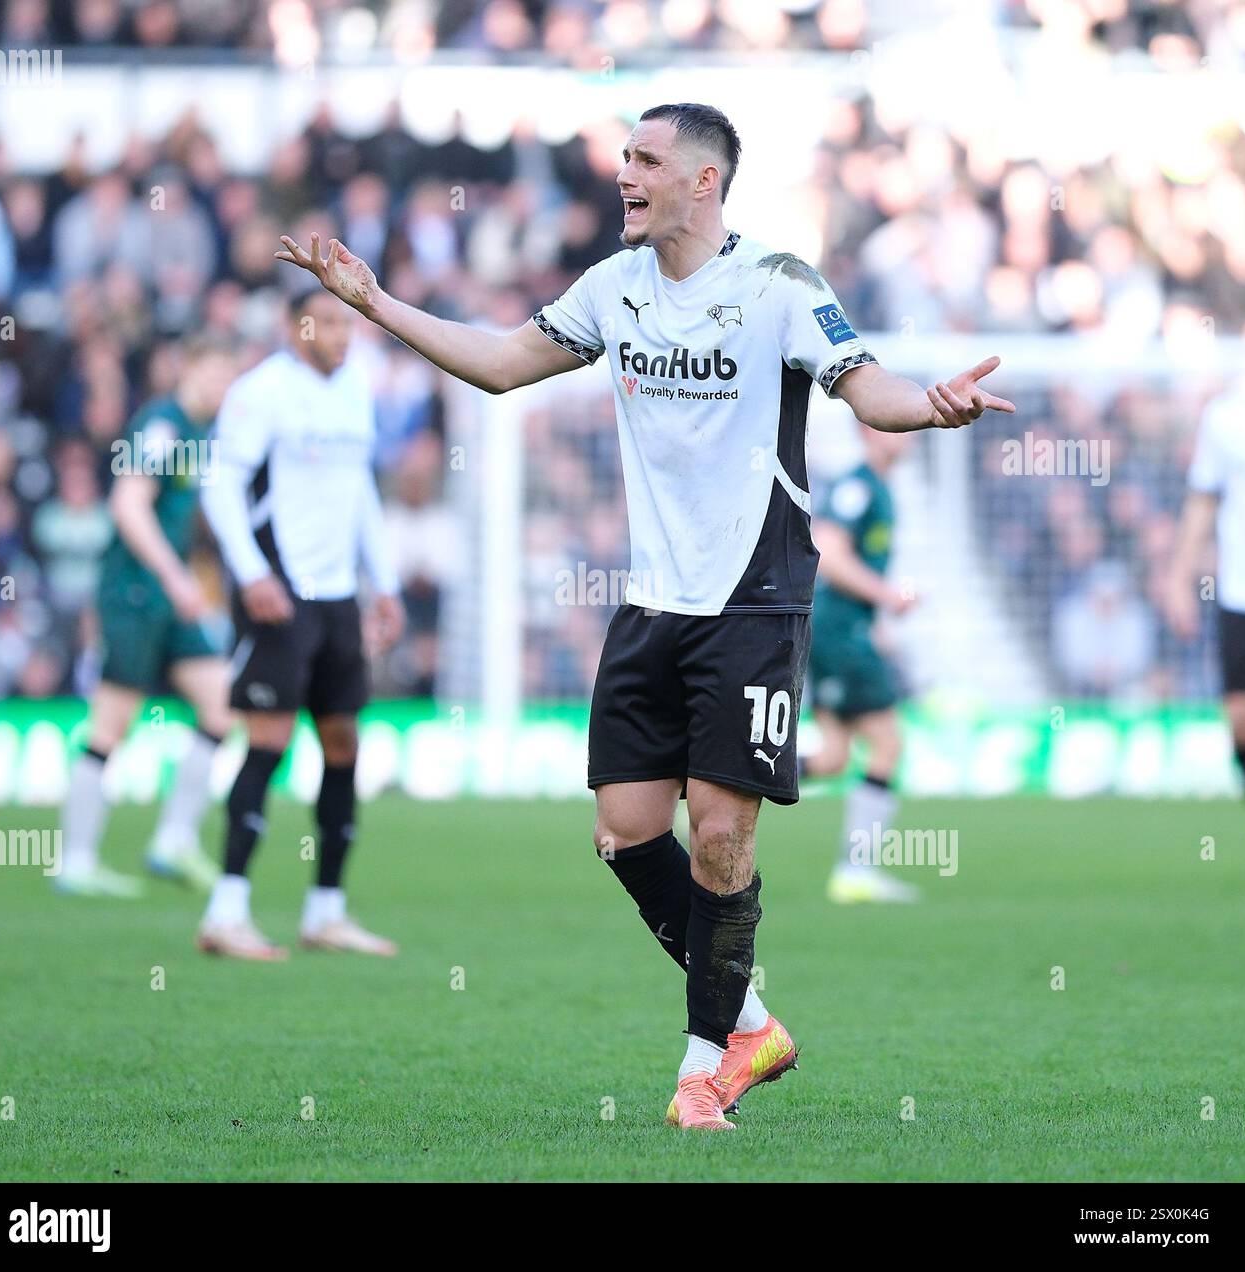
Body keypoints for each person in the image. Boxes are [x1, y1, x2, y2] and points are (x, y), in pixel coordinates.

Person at [275, 103, 1014, 1128]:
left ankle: (701, 1073)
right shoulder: (612, 286)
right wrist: (373, 302)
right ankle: (748, 1019)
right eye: (625, 157)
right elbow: (498, 364)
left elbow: (865, 386)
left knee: (719, 837)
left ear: (702, 182)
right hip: (650, 605)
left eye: (646, 160)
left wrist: (932, 406)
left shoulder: (777, 286)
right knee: (625, 836)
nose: (624, 173)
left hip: (754, 600)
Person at [196, 289, 405, 960]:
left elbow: (361, 489)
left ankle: (326, 912)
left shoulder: (356, 387)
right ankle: (225, 912)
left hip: (339, 597)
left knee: (342, 742)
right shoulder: (262, 393)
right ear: (295, 327)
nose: (344, 334)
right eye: (331, 321)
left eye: (351, 321)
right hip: (279, 592)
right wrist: (252, 573)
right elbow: (220, 485)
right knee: (269, 740)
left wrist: (386, 583)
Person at [56, 337, 238, 897]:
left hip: (166, 594)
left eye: (229, 378)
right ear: (190, 368)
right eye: (215, 373)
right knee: (113, 723)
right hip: (136, 593)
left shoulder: (199, 433)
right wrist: (175, 575)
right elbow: (128, 506)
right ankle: (75, 860)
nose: (222, 387)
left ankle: (173, 840)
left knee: (222, 703)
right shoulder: (163, 425)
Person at [807, 425, 921, 904]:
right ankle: (856, 870)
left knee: (833, 757)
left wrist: (876, 619)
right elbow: (828, 552)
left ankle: (714, 780)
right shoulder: (858, 485)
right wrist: (885, 596)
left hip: (842, 630)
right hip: (838, 634)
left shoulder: (878, 487)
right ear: (861, 430)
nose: (905, 434)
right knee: (887, 743)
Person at [1167, 366, 1245, 837]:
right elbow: (1203, 499)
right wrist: (1180, 578)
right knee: (1240, 720)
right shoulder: (1226, 416)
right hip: (1243, 590)